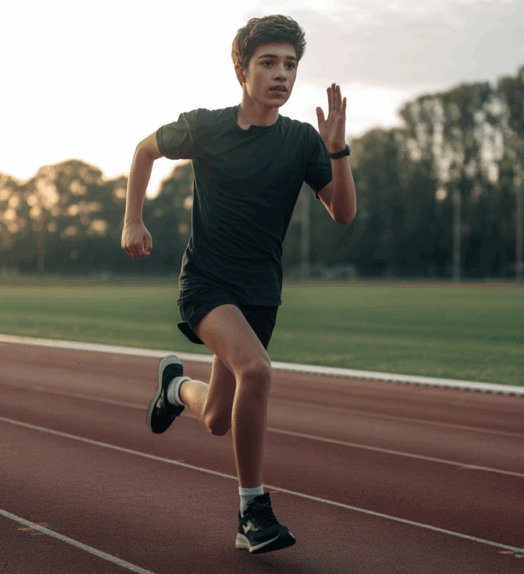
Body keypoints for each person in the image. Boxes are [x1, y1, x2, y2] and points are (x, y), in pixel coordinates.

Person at [121, 14, 356, 555]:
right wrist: (133, 219)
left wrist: (338, 151)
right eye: (268, 62)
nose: (281, 74)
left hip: (260, 293)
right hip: (206, 283)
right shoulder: (207, 127)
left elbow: (342, 213)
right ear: (241, 69)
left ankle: (173, 388)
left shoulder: (301, 140)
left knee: (216, 420)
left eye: (290, 65)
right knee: (257, 369)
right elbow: (143, 150)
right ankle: (253, 510)